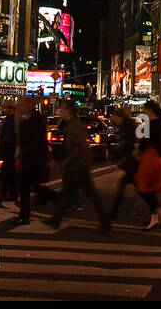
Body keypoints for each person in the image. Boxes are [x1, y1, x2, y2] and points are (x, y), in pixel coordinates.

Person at [46, 101, 110, 232]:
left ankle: (105, 222)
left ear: (68, 111)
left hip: (79, 166)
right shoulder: (71, 124)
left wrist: (69, 161)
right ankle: (56, 220)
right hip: (77, 165)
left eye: (62, 110)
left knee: (88, 195)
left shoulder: (75, 126)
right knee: (68, 194)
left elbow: (80, 147)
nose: (60, 112)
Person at [12, 96, 49, 225]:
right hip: (30, 158)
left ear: (29, 105)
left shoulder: (35, 120)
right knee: (28, 187)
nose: (20, 108)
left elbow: (36, 141)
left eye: (21, 105)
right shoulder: (27, 119)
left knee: (25, 187)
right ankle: (24, 215)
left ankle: (24, 215)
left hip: (32, 159)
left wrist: (24, 155)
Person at [108, 107, 141, 220]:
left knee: (141, 189)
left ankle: (156, 209)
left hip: (133, 163)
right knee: (135, 187)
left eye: (115, 118)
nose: (114, 120)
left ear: (120, 117)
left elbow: (129, 143)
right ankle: (114, 212)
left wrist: (119, 155)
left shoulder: (128, 127)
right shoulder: (128, 125)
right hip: (132, 162)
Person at [135, 138, 161, 230]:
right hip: (155, 157)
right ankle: (156, 217)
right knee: (149, 189)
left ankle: (160, 212)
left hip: (149, 157)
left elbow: (146, 139)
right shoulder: (157, 124)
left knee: (143, 187)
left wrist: (138, 150)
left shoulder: (149, 123)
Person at [0, 100, 19, 204]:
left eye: (6, 108)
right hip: (6, 148)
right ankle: (7, 193)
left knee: (9, 174)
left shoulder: (15, 121)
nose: (5, 110)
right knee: (6, 173)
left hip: (12, 149)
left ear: (11, 109)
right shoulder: (6, 121)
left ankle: (9, 194)